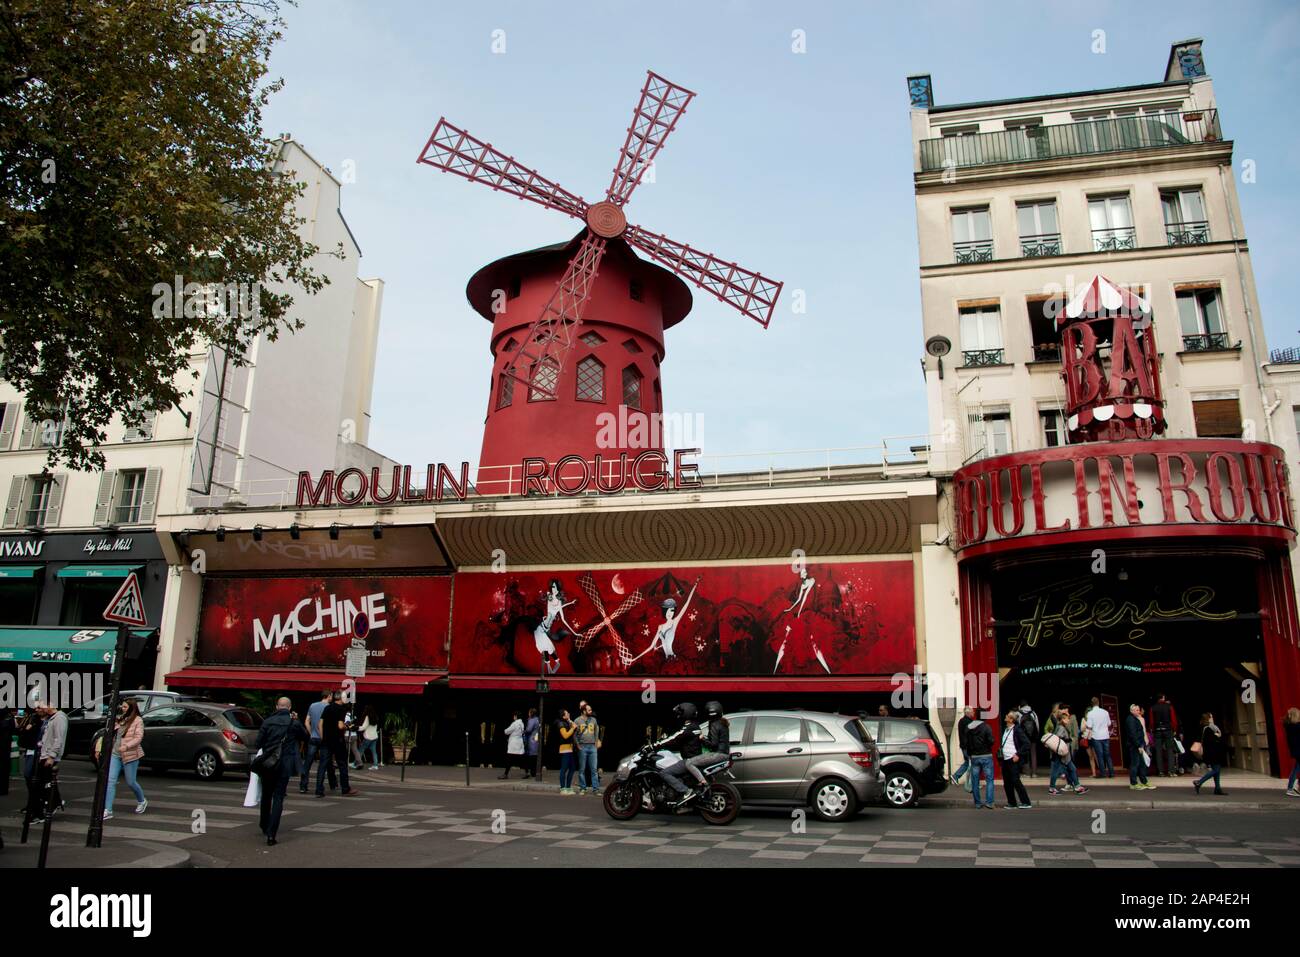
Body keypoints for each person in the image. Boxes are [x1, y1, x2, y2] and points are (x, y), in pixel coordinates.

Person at [255, 697, 309, 845]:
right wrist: (297, 720)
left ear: (277, 707)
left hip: (268, 763)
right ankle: (272, 834)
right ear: (290, 708)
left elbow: (257, 743)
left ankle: (264, 824)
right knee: (279, 797)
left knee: (266, 795)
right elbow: (305, 736)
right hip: (285, 764)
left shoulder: (267, 721)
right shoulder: (294, 723)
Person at [103, 698, 148, 820]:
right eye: (122, 707)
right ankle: (108, 810)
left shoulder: (138, 720)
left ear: (132, 709)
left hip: (130, 755)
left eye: (125, 707)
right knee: (110, 781)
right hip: (115, 754)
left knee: (131, 782)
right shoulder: (120, 718)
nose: (122, 709)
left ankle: (142, 800)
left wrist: (126, 746)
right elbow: (111, 733)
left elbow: (139, 737)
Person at [653, 702, 705, 806]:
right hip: (694, 758)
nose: (678, 715)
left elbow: (674, 738)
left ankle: (686, 791)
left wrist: (654, 745)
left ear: (686, 713)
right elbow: (680, 741)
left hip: (688, 760)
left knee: (664, 773)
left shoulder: (688, 728)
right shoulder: (696, 726)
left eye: (680, 713)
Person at [26, 698, 67, 824]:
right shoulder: (52, 718)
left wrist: (51, 756)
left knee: (40, 784)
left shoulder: (59, 718)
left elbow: (58, 739)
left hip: (48, 756)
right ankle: (49, 805)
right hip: (44, 754)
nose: (42, 708)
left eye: (43, 705)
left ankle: (43, 810)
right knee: (41, 783)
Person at [317, 691, 358, 797]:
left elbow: (320, 724)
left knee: (323, 765)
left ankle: (319, 789)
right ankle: (345, 788)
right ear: (342, 698)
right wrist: (347, 726)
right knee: (342, 764)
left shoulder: (327, 708)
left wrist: (322, 737)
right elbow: (340, 726)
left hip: (326, 740)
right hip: (338, 740)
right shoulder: (341, 710)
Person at [1045, 706, 1089, 796]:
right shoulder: (1061, 728)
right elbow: (1058, 739)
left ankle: (1077, 786)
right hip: (1060, 754)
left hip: (1064, 754)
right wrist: (1069, 740)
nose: (1069, 720)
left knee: (1072, 769)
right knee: (1056, 771)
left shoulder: (1061, 726)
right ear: (1063, 719)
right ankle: (1052, 788)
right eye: (1067, 719)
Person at [686, 700, 730, 788]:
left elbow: (713, 744)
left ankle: (703, 783)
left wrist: (702, 739)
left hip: (717, 754)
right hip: (724, 753)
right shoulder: (723, 723)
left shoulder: (714, 724)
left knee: (689, 763)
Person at [300, 689, 336, 794]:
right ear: (329, 696)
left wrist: (311, 733)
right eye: (331, 696)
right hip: (324, 738)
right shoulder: (329, 708)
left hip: (313, 738)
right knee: (324, 763)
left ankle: (303, 785)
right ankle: (324, 786)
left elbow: (306, 721)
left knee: (308, 763)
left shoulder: (312, 705)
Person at [999, 711, 1032, 809]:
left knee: (1016, 781)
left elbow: (1027, 743)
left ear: (1011, 719)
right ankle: (1012, 803)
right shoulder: (1006, 729)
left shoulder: (1017, 730)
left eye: (1007, 716)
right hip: (1005, 760)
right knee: (1007, 783)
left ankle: (1026, 802)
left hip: (1013, 759)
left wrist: (1018, 754)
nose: (1005, 716)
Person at [1191, 712, 1227, 796]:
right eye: (1211, 717)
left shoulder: (1209, 728)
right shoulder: (1208, 729)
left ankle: (1217, 789)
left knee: (1217, 770)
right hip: (1212, 753)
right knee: (1216, 770)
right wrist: (1217, 736)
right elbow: (1211, 741)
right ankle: (1199, 782)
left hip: (1212, 752)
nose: (1212, 718)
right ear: (1208, 718)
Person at [965, 711, 995, 809]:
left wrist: (970, 753)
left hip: (974, 757)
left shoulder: (969, 727)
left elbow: (966, 742)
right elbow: (991, 741)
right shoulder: (986, 727)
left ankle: (977, 803)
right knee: (989, 780)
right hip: (986, 755)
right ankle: (989, 802)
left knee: (975, 780)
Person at [1125, 703, 1155, 790]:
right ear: (1131, 711)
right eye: (1136, 710)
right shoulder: (1130, 720)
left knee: (1142, 764)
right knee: (1135, 764)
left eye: (1138, 710)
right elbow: (1133, 734)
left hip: (1139, 744)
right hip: (1135, 745)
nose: (1138, 711)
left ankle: (1144, 781)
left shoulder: (1135, 719)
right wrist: (1138, 745)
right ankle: (1133, 783)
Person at [1150, 693, 1181, 777]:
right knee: (1170, 750)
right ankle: (1171, 771)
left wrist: (1153, 730)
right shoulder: (1169, 706)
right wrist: (1174, 729)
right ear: (1163, 698)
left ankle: (1160, 772)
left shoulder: (1153, 707)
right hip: (1168, 729)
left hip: (1157, 730)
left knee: (1158, 751)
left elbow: (1152, 721)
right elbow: (1173, 719)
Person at [573, 703, 601, 794]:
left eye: (591, 709)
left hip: (592, 747)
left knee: (594, 769)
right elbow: (574, 734)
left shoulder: (594, 720)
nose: (591, 711)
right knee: (582, 769)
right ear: (584, 711)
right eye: (589, 710)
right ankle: (583, 788)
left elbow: (597, 730)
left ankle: (596, 789)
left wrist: (596, 742)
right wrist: (577, 745)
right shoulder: (577, 720)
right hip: (583, 747)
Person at [1084, 697, 1114, 778]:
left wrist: (1085, 735)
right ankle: (1111, 773)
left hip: (1096, 736)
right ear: (1098, 703)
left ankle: (1103, 773)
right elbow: (1109, 724)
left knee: (1099, 755)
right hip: (1105, 735)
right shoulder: (1105, 712)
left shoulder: (1090, 713)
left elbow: (1089, 726)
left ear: (1091, 704)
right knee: (1107, 755)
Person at [951, 706, 975, 787]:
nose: (973, 713)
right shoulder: (968, 722)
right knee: (972, 763)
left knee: (968, 762)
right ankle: (972, 783)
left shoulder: (962, 721)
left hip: (964, 746)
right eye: (972, 712)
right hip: (967, 747)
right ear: (968, 713)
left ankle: (955, 776)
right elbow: (969, 735)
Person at [499, 711, 525, 779]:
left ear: (516, 716)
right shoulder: (522, 723)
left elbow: (507, 731)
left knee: (509, 759)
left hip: (514, 744)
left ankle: (505, 774)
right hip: (519, 742)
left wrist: (504, 730)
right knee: (520, 759)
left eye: (514, 716)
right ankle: (527, 772)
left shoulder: (515, 723)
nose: (513, 717)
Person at [1017, 701, 1040, 777]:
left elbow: (1017, 725)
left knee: (1024, 753)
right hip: (1033, 737)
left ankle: (1026, 772)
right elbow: (1037, 725)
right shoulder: (1033, 713)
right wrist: (1036, 734)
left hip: (1023, 737)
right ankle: (1034, 773)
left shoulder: (1019, 713)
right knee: (1033, 754)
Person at [556, 710, 577, 794]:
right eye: (567, 713)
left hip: (570, 748)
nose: (569, 713)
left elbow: (576, 728)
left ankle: (568, 788)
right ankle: (562, 788)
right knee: (564, 769)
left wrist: (570, 722)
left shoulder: (567, 722)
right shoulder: (560, 723)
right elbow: (565, 735)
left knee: (572, 768)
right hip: (564, 749)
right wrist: (572, 728)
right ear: (563, 716)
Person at [358, 706, 381, 770]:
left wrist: (357, 728)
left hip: (368, 737)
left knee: (361, 750)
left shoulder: (367, 717)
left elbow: (364, 727)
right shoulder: (376, 717)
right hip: (374, 736)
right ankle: (375, 765)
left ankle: (356, 763)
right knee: (374, 751)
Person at [1285, 707, 1300, 797]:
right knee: (1296, 770)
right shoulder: (1297, 727)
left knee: (1295, 769)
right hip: (1299, 751)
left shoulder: (1289, 726)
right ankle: (1293, 788)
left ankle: (1291, 788)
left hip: (1296, 751)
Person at [522, 708, 541, 778]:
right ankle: (534, 772)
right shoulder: (537, 719)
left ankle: (532, 772)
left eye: (529, 712)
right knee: (535, 757)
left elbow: (529, 729)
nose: (528, 714)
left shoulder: (532, 720)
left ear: (531, 713)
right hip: (536, 739)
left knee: (531, 757)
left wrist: (523, 731)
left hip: (531, 739)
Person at [0, 707, 13, 797]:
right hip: (5, 744)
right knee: (4, 767)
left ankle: (3, 788)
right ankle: (3, 788)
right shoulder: (9, 718)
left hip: (4, 744)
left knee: (3, 767)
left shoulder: (6, 719)